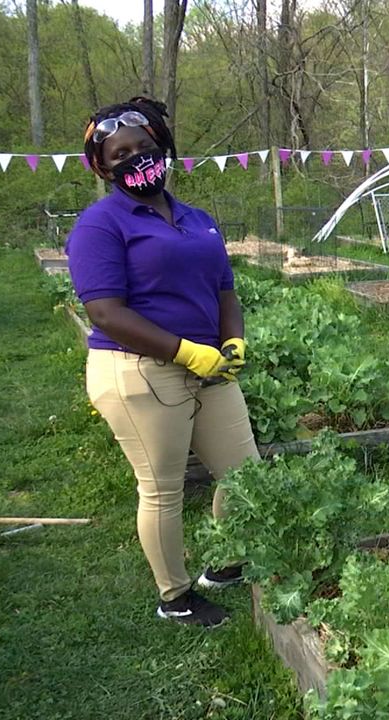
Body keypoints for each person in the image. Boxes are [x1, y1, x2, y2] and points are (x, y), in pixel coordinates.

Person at [66, 96, 256, 628]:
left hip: (210, 369)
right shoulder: (100, 225)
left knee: (243, 474)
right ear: (103, 166)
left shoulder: (197, 220)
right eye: (120, 152)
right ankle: (174, 597)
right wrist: (184, 351)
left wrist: (232, 341)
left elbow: (224, 290)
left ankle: (226, 564)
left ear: (163, 149)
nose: (134, 158)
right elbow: (104, 311)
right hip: (140, 371)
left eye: (144, 147)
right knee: (162, 488)